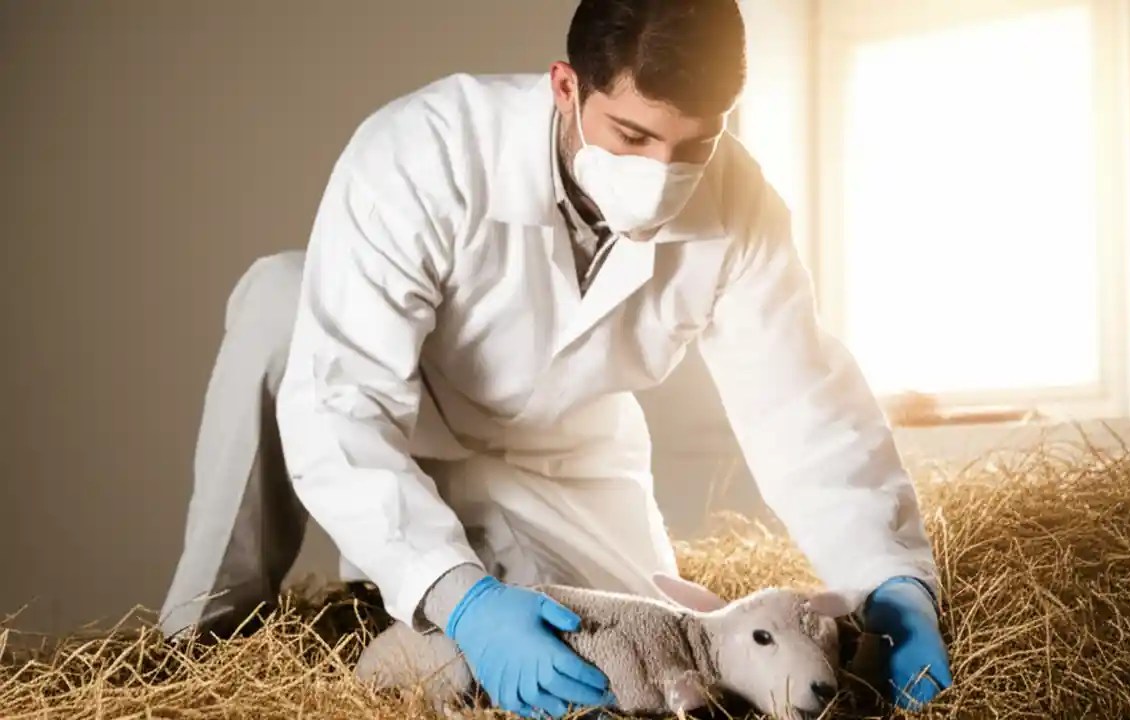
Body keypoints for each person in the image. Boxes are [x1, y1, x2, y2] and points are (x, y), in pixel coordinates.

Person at [159, 0, 953, 715]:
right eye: (633, 136)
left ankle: (392, 602)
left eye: (694, 146)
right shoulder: (425, 151)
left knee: (630, 674)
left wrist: (893, 582)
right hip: (409, 419)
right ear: (566, 88)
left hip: (569, 461)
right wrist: (464, 599)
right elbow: (341, 402)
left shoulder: (741, 206)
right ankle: (198, 634)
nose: (660, 176)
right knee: (279, 297)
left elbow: (801, 404)